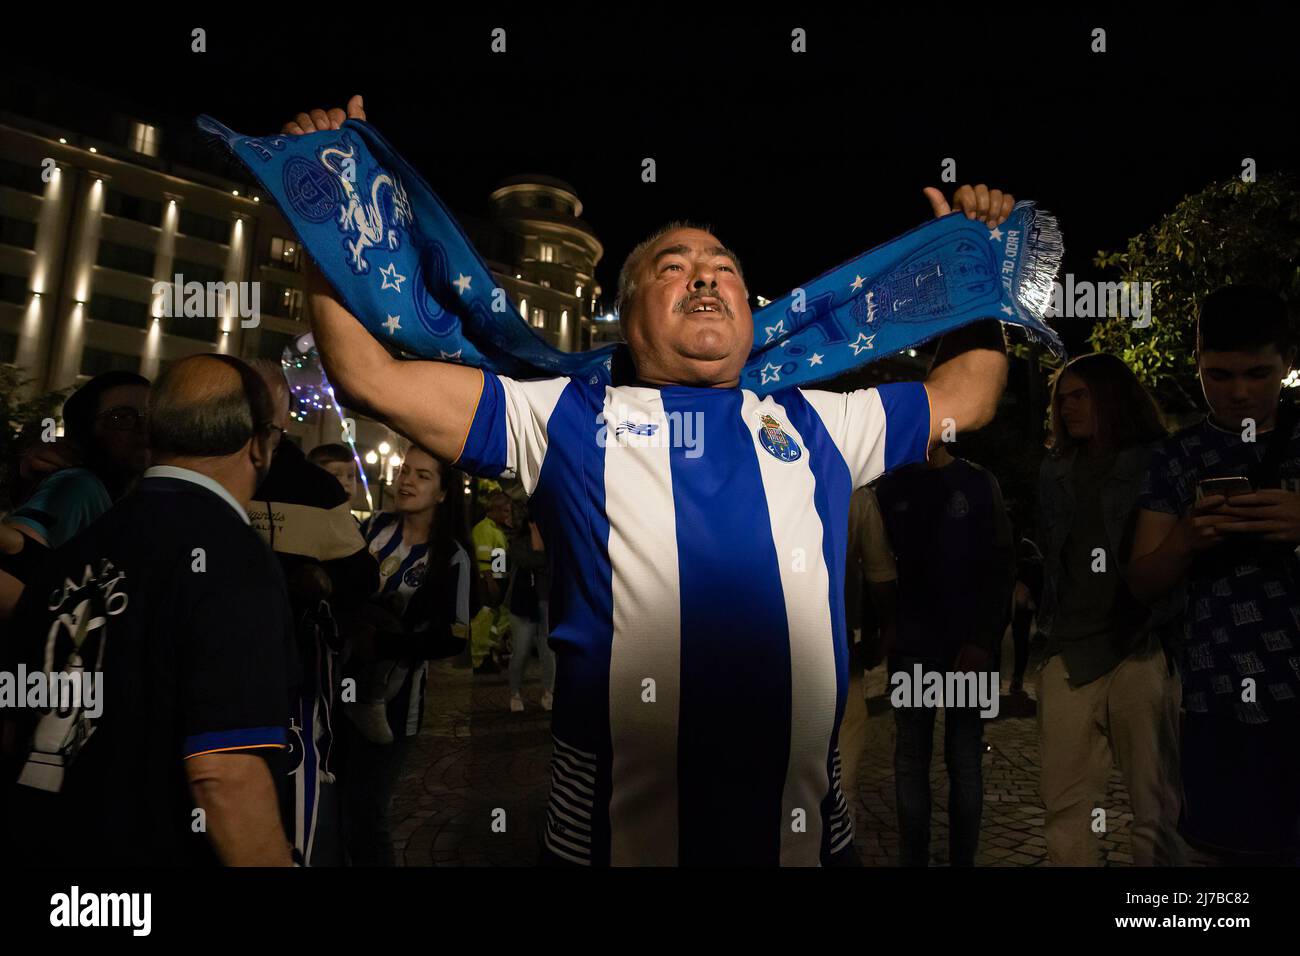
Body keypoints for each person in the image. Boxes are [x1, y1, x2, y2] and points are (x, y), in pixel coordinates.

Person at [293, 96, 1012, 866]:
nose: (706, 278)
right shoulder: (563, 416)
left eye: (724, 270)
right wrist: (320, 206)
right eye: (675, 269)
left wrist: (975, 266)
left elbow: (967, 398)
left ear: (748, 314)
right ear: (628, 313)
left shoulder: (816, 423)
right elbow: (369, 375)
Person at [1, 354, 296, 866]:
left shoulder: (76, 549)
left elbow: (13, 727)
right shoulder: (234, 556)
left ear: (154, 435)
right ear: (258, 444)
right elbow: (225, 772)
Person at [1129, 285, 1300, 865]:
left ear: (1288, 362)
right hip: (1217, 703)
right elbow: (1142, 581)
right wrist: (1185, 541)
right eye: (1219, 375)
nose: (1240, 392)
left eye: (1258, 373)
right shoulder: (1175, 457)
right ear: (1198, 364)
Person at [1034, 352, 1184, 866]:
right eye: (1063, 398)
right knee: (1065, 808)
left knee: (1156, 809)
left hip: (1139, 645)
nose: (1068, 407)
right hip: (1069, 649)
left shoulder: (1156, 461)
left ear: (1112, 397)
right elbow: (1054, 556)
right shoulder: (1055, 470)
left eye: (1082, 395)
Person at [248, 360, 378, 866]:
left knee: (293, 791)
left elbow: (360, 580)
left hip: (294, 676)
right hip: (212, 668)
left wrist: (319, 581)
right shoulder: (202, 468)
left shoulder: (314, 488)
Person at [875, 443, 1014, 866]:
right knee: (912, 761)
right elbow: (878, 567)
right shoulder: (890, 487)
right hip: (913, 647)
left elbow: (1001, 565)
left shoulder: (978, 482)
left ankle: (961, 861)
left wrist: (984, 639)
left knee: (964, 758)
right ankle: (914, 858)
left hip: (966, 649)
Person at [341, 444, 473, 865]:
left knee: (367, 814)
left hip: (396, 705)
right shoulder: (372, 528)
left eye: (422, 475)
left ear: (443, 493)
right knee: (335, 802)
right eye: (404, 471)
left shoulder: (451, 557)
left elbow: (453, 638)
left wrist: (384, 643)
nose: (406, 481)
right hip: (337, 687)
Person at [838, 484, 898, 809]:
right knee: (841, 780)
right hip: (838, 648)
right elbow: (880, 575)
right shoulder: (854, 489)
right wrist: (887, 631)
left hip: (763, 644)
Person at [506, 503, 555, 713]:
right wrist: (536, 536)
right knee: (522, 651)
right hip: (523, 604)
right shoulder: (518, 544)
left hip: (548, 602)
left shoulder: (555, 543)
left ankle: (549, 692)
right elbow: (534, 560)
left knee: (548, 651)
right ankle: (515, 693)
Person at [470, 491, 513, 673]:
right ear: (494, 510)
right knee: (484, 620)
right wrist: (491, 582)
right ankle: (480, 660)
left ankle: (489, 654)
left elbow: (498, 559)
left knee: (494, 621)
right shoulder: (484, 529)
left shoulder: (496, 529)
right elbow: (484, 559)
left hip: (497, 579)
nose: (508, 515)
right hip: (487, 581)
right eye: (505, 511)